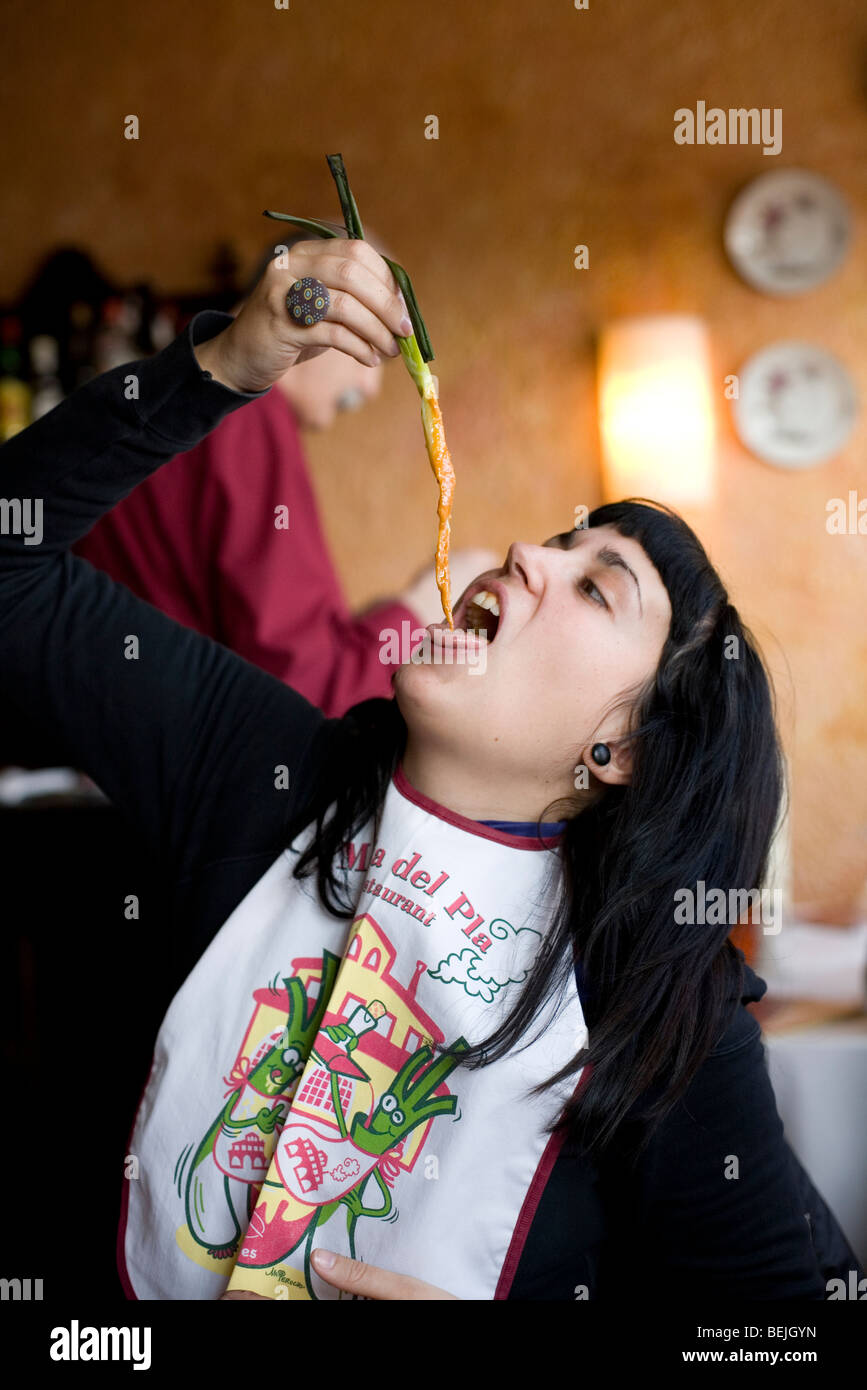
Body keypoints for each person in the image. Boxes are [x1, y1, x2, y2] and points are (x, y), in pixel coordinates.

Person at [0, 236, 860, 1302]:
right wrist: (222, 368)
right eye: (555, 540)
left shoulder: (661, 1010)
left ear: (622, 750)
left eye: (598, 587)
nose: (527, 556)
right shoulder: (254, 768)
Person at [72, 237, 495, 716]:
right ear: (315, 304)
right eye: (374, 339)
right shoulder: (244, 412)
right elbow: (309, 692)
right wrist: (420, 609)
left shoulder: (181, 389)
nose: (370, 385)